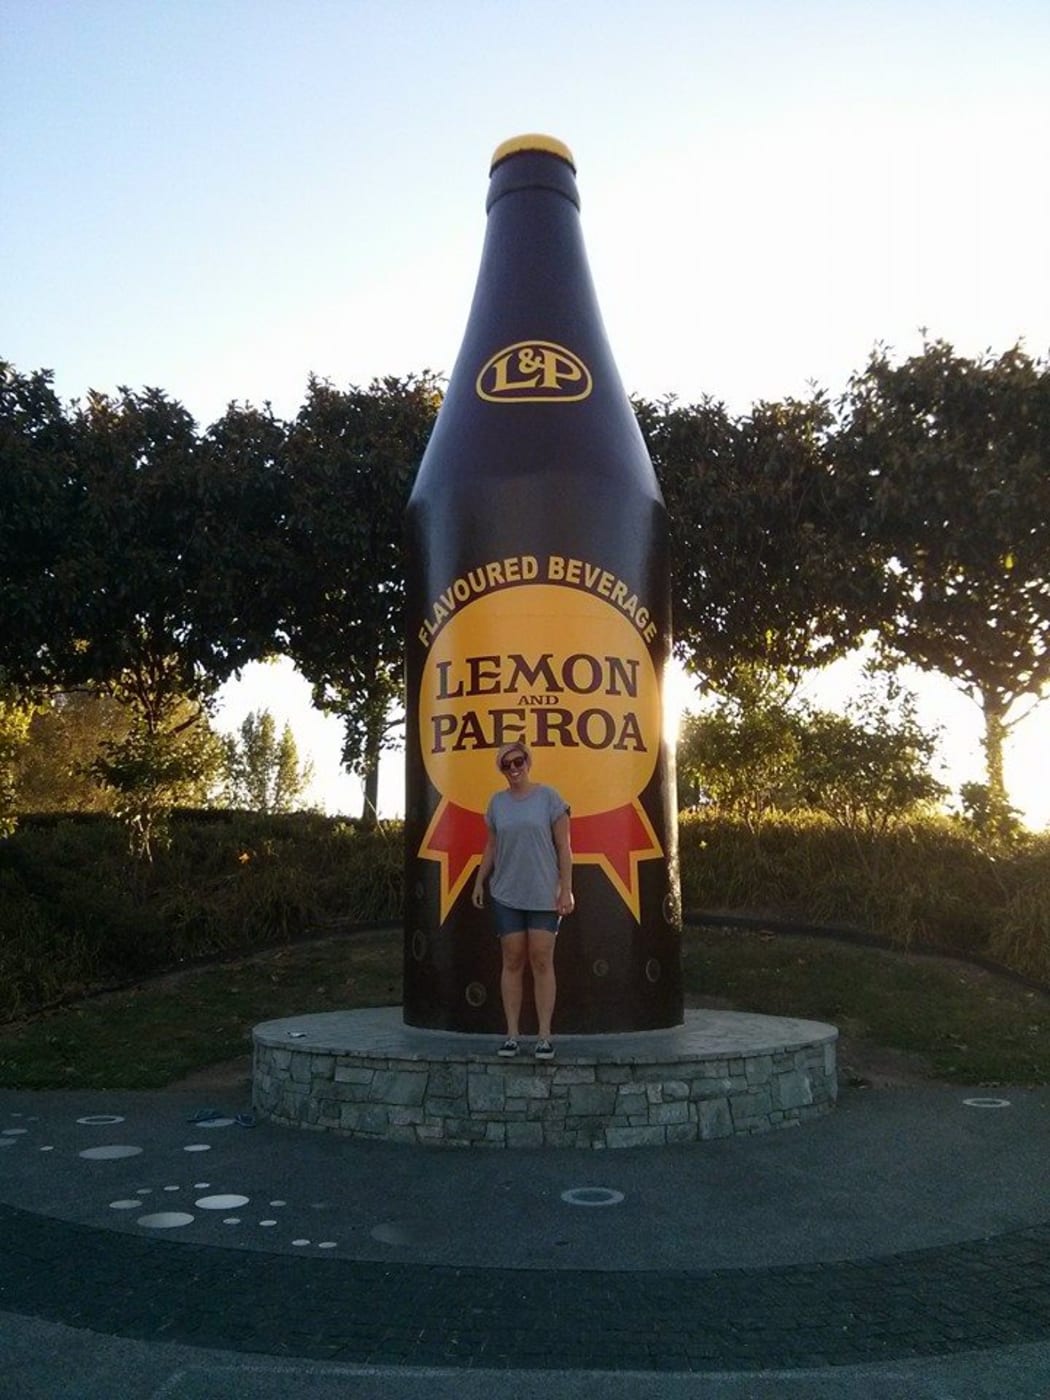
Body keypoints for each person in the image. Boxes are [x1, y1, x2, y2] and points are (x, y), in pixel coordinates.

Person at [471, 741, 574, 1060]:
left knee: (542, 959)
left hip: (544, 892)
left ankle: (544, 1036)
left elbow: (565, 847)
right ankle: (512, 1035)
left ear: (528, 761)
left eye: (518, 761)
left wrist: (566, 888)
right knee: (512, 960)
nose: (514, 769)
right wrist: (479, 880)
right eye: (507, 764)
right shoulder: (497, 803)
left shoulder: (550, 798)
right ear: (501, 769)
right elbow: (492, 846)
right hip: (506, 892)